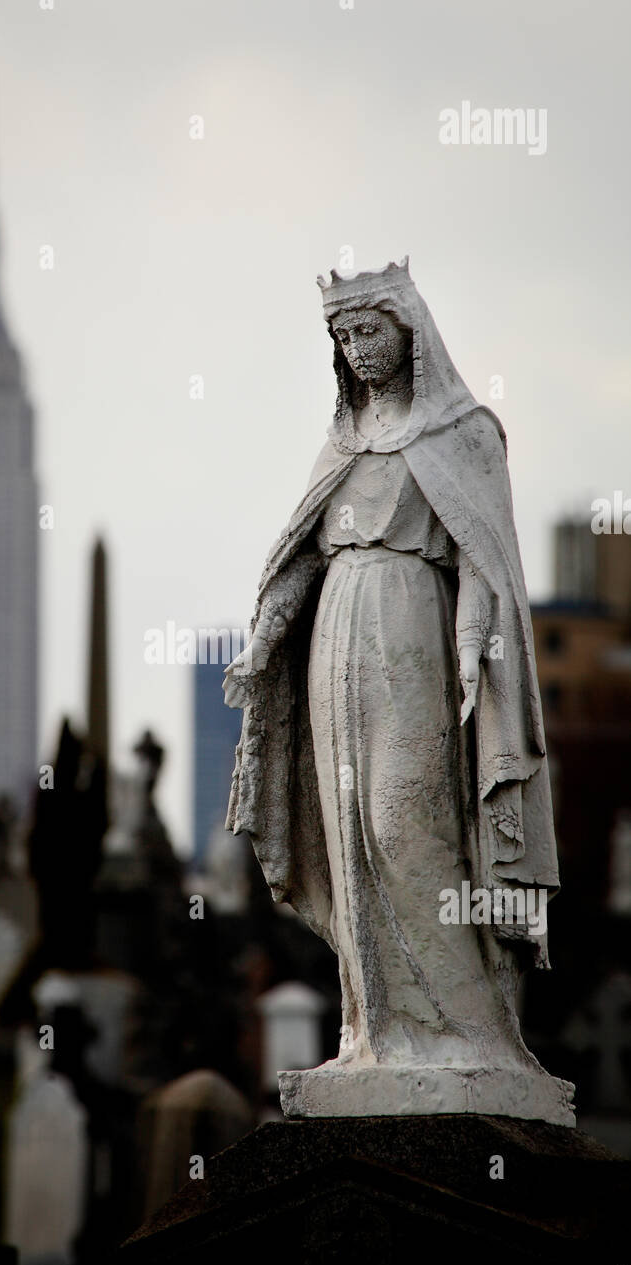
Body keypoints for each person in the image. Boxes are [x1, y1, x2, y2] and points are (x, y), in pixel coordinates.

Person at [223, 259, 562, 1089]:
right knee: (351, 834)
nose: (358, 348)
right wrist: (265, 640)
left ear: (410, 330)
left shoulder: (463, 436)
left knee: (403, 822)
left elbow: (484, 563)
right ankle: (378, 1033)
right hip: (336, 640)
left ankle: (472, 1033)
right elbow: (303, 560)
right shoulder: (341, 444)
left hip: (417, 634)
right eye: (343, 336)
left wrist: (478, 646)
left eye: (369, 329)